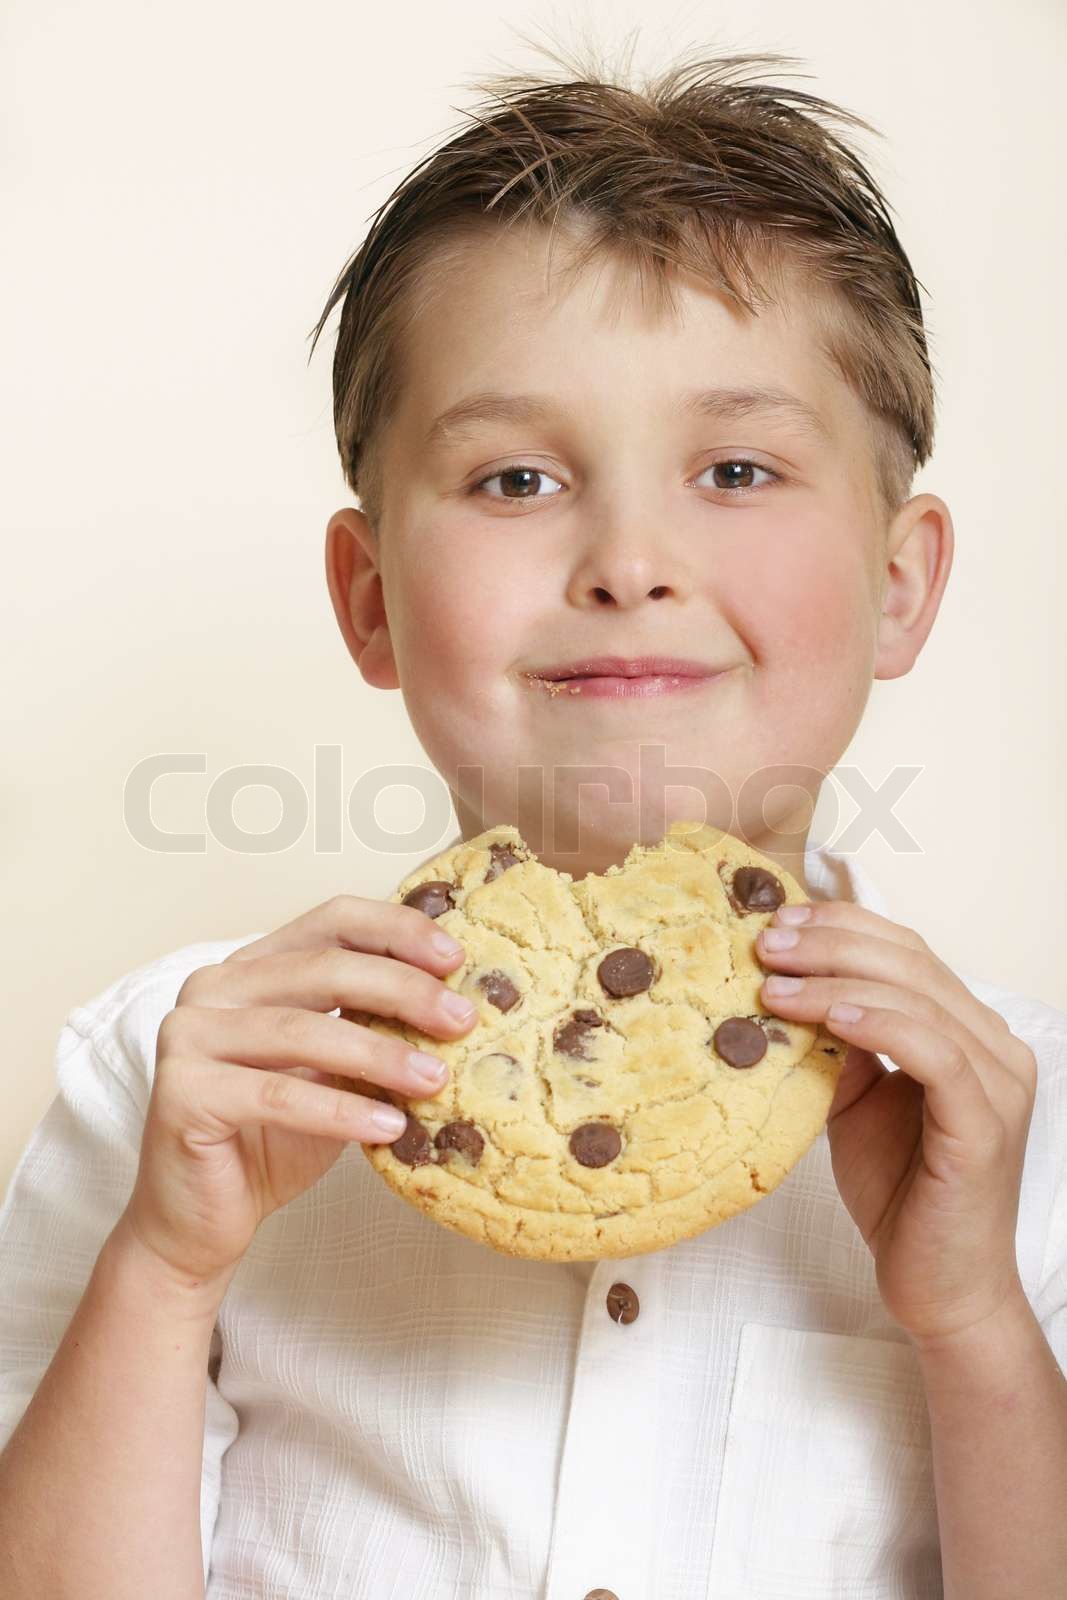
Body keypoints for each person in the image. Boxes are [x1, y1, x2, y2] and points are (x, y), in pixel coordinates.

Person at [1, 43, 1064, 1600]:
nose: (628, 559)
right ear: (372, 602)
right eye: (513, 479)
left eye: (737, 467)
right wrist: (164, 1273)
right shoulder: (176, 1076)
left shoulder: (1021, 1121)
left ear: (896, 588)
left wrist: (974, 1325)